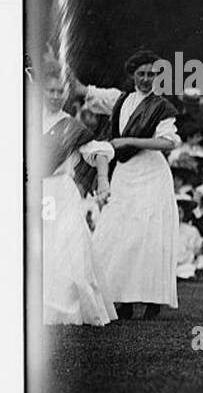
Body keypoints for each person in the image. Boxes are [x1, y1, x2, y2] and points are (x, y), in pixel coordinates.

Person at [70, 49, 180, 320]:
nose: (145, 79)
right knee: (119, 233)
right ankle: (122, 298)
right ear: (133, 75)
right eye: (141, 74)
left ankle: (152, 301)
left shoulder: (161, 107)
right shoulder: (119, 99)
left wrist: (129, 142)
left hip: (152, 174)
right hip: (125, 174)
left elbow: (169, 142)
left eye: (151, 74)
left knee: (149, 236)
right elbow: (82, 91)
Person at [38, 67, 116, 326]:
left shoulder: (70, 126)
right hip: (35, 191)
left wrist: (103, 179)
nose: (56, 95)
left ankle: (71, 309)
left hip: (61, 190)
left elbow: (99, 153)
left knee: (69, 248)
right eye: (51, 90)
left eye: (61, 91)